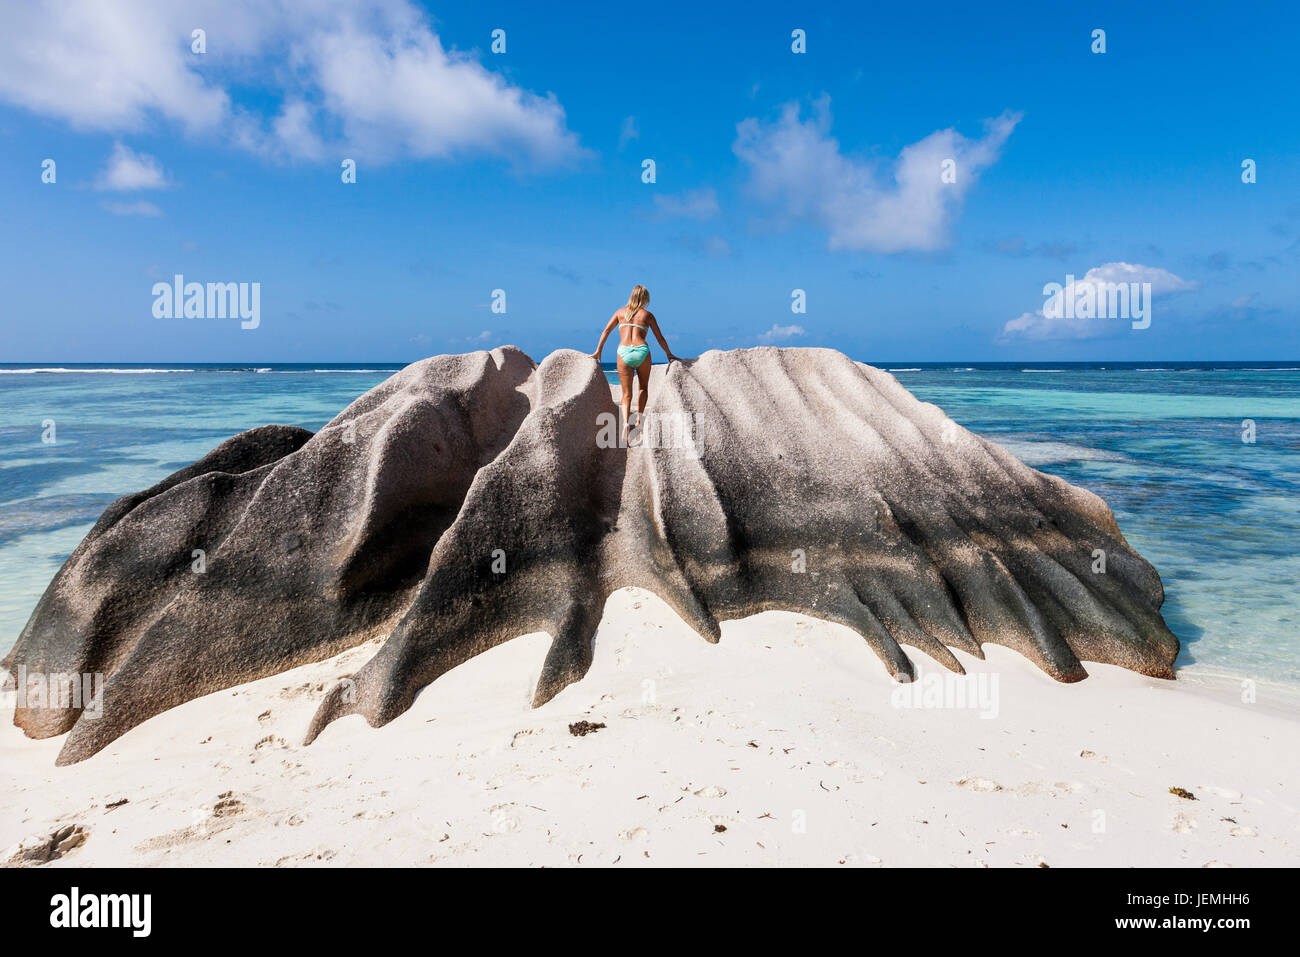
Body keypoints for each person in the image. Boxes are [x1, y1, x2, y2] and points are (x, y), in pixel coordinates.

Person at [589, 284, 679, 444]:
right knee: (643, 387)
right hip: (642, 351)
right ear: (645, 298)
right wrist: (669, 354)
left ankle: (625, 423)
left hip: (623, 352)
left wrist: (598, 351)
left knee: (626, 394)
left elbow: (606, 332)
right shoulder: (647, 315)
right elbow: (660, 338)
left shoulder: (620, 313)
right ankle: (639, 421)